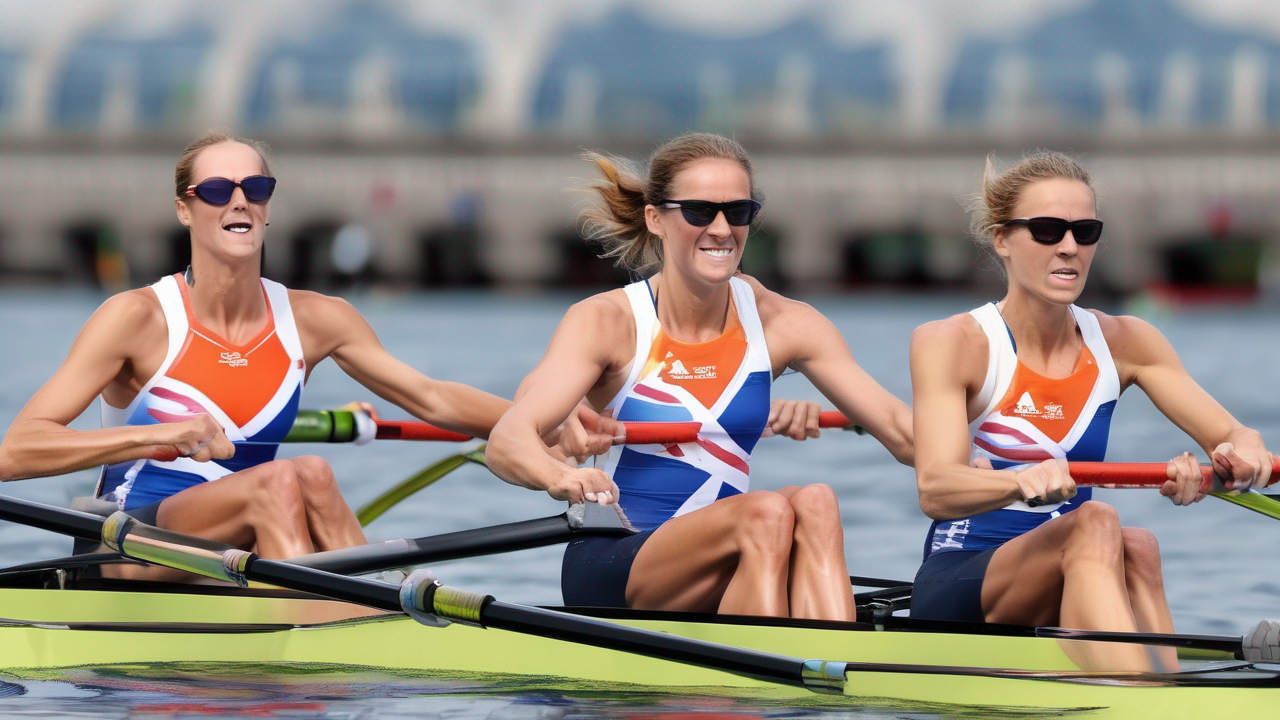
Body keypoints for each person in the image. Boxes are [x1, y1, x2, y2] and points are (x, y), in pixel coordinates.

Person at [0, 130, 607, 578]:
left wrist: (541, 421)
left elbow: (432, 397)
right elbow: (16, 451)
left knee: (310, 474)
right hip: (128, 549)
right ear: (185, 209)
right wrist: (155, 437)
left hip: (252, 541)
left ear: (267, 206)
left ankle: (370, 612)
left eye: (255, 188)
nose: (238, 201)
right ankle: (334, 634)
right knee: (283, 480)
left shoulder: (318, 319)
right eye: (216, 190)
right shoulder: (135, 318)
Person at [484, 133, 913, 620]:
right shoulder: (609, 322)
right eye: (698, 211)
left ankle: (834, 675)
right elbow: (508, 440)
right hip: (616, 558)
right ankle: (789, 673)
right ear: (656, 219)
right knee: (767, 511)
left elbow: (903, 431)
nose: (722, 229)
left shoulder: (785, 323)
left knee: (816, 502)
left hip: (735, 555)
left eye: (738, 212)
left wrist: (993, 467)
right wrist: (563, 477)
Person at [908, 151, 1273, 671]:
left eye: (1085, 231)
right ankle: (1137, 694)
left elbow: (1231, 432)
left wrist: (1238, 456)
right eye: (1048, 230)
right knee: (1096, 521)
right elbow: (935, 488)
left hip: (1072, 568)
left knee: (1139, 544)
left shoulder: (1129, 342)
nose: (1069, 248)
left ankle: (1161, 691)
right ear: (1002, 239)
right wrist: (1018, 483)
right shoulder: (952, 342)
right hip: (961, 580)